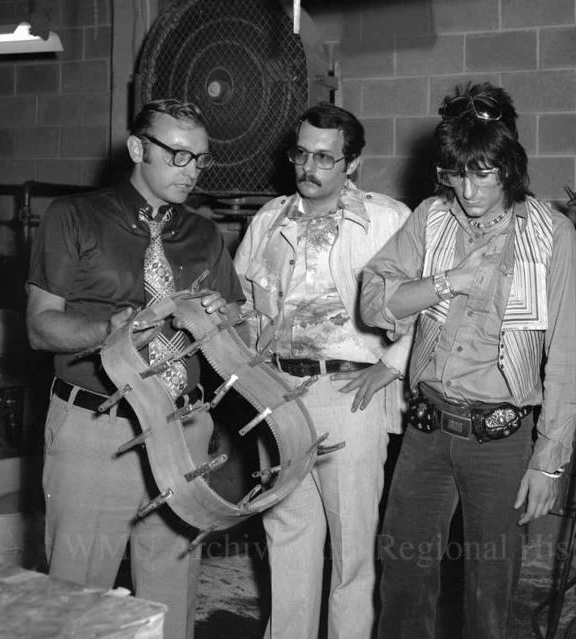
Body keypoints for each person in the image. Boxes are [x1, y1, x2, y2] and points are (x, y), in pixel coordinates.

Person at [360, 82, 576, 639]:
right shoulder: (431, 219)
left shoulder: (552, 235)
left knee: (490, 596)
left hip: (502, 441)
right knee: (403, 580)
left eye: (484, 172)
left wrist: (549, 461)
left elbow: (565, 359)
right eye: (457, 173)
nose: (469, 189)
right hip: (427, 431)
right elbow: (373, 296)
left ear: (510, 164)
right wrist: (446, 283)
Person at [26, 99, 244, 639]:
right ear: (136, 148)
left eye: (200, 158)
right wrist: (113, 330)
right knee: (77, 599)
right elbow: (40, 327)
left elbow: (237, 314)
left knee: (172, 598)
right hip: (98, 429)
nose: (190, 170)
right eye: (176, 154)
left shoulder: (204, 234)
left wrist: (224, 317)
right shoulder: (72, 218)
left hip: (183, 429)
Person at [233, 102, 412, 639]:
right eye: (301, 154)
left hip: (348, 392)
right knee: (286, 539)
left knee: (353, 550)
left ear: (352, 163)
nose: (308, 168)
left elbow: (430, 301)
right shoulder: (269, 220)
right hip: (278, 393)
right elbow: (241, 305)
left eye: (325, 158)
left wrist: (392, 365)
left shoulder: (388, 219)